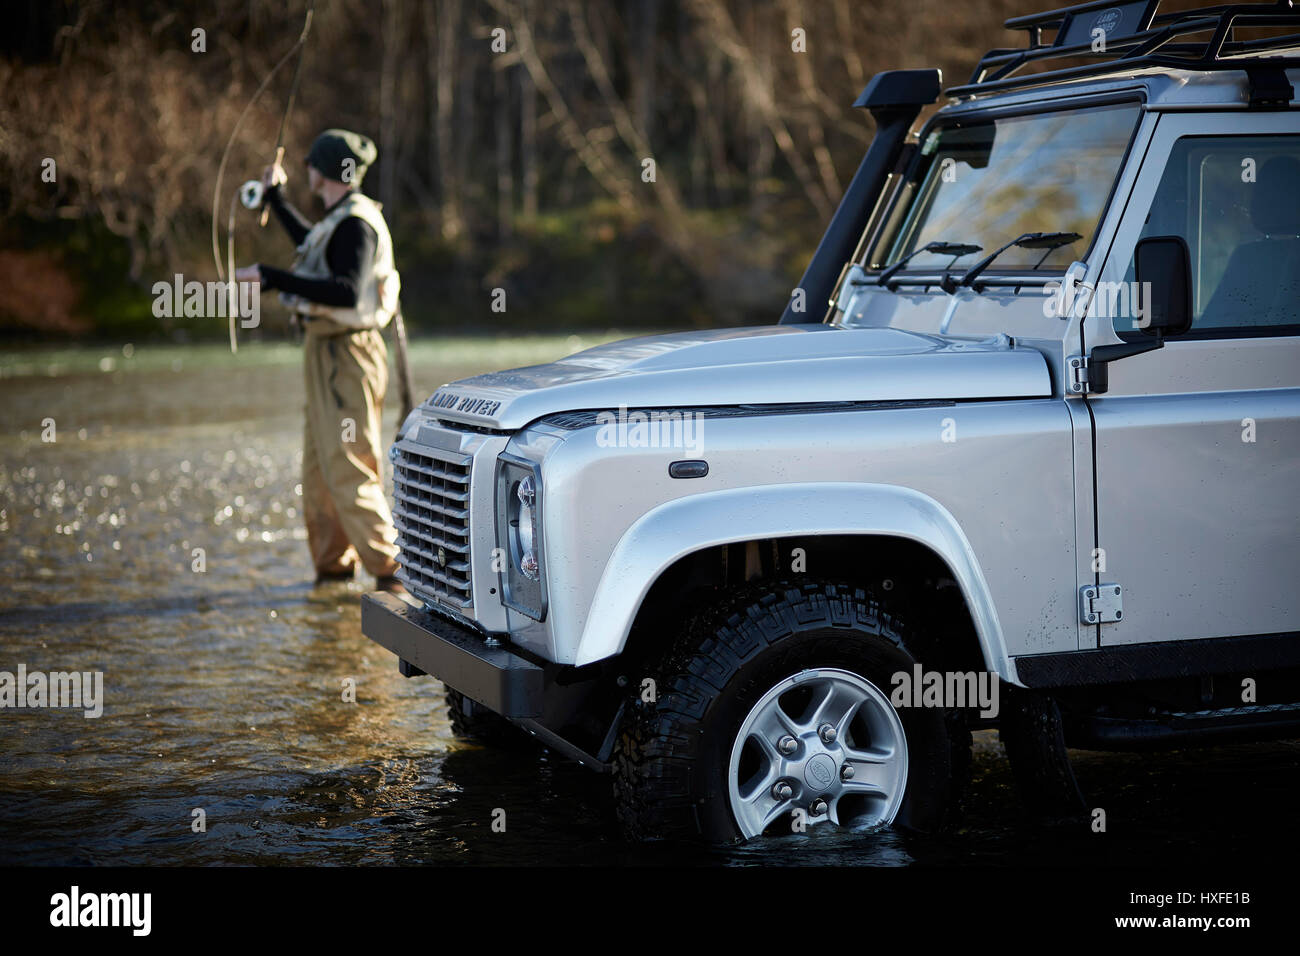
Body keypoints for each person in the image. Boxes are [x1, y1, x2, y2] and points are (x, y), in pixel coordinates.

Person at [234, 128, 403, 592]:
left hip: (347, 355)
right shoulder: (340, 220)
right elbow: (314, 248)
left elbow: (346, 290)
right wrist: (276, 199)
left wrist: (272, 278)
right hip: (325, 353)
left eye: (311, 163)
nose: (306, 168)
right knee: (319, 471)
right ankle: (333, 574)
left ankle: (394, 575)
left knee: (348, 465)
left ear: (325, 170)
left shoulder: (357, 223)